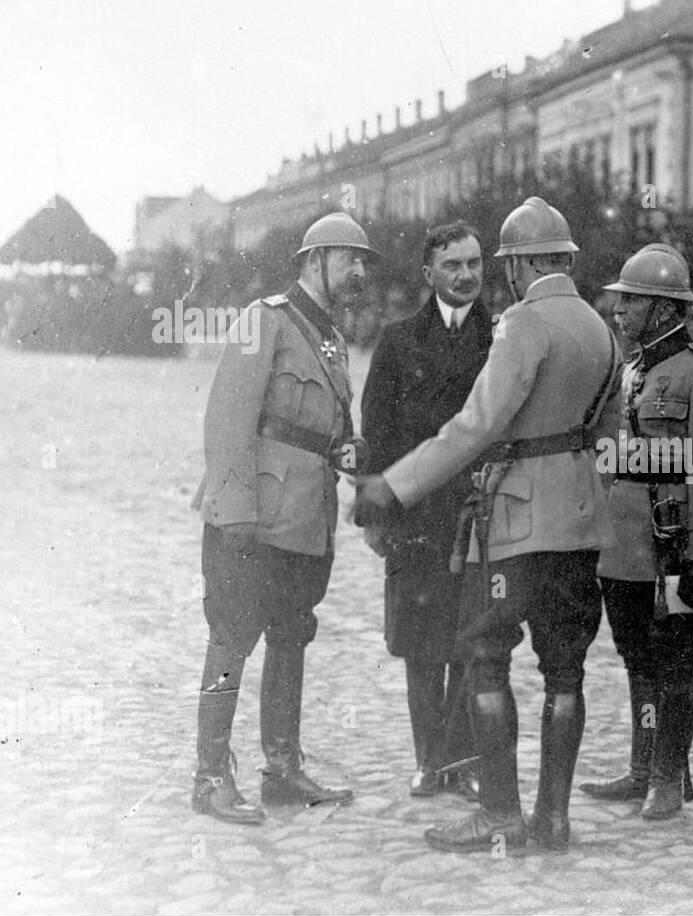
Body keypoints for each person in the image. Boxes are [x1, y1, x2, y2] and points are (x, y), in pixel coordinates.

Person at [354, 197, 622, 854]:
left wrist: (394, 485)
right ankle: (553, 822)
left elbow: (475, 425)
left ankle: (500, 815)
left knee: (485, 655)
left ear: (523, 263)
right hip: (580, 524)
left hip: (517, 522)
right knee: (565, 671)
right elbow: (611, 436)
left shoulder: (520, 327)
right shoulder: (601, 329)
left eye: (504, 265)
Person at [190, 211, 373, 823]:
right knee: (231, 637)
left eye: (364, 260)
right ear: (314, 260)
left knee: (292, 637)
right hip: (257, 516)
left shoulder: (331, 340)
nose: (361, 270)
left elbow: (323, 430)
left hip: (307, 519)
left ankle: (283, 769)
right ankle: (211, 776)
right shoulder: (262, 320)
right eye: (351, 258)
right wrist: (235, 514)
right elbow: (227, 424)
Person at [579, 244, 693, 819]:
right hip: (620, 547)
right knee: (634, 656)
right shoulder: (630, 370)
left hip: (671, 548)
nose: (618, 311)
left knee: (674, 658)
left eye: (631, 302)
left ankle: (670, 777)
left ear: (665, 309)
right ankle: (644, 767)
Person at [358, 222, 493, 801]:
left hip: (475, 514)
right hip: (415, 519)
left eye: (473, 263)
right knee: (420, 646)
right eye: (452, 266)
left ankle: (459, 761)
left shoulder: (501, 338)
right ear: (427, 275)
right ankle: (426, 761)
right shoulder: (397, 341)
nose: (465, 276)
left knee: (471, 641)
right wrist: (376, 514)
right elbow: (375, 433)